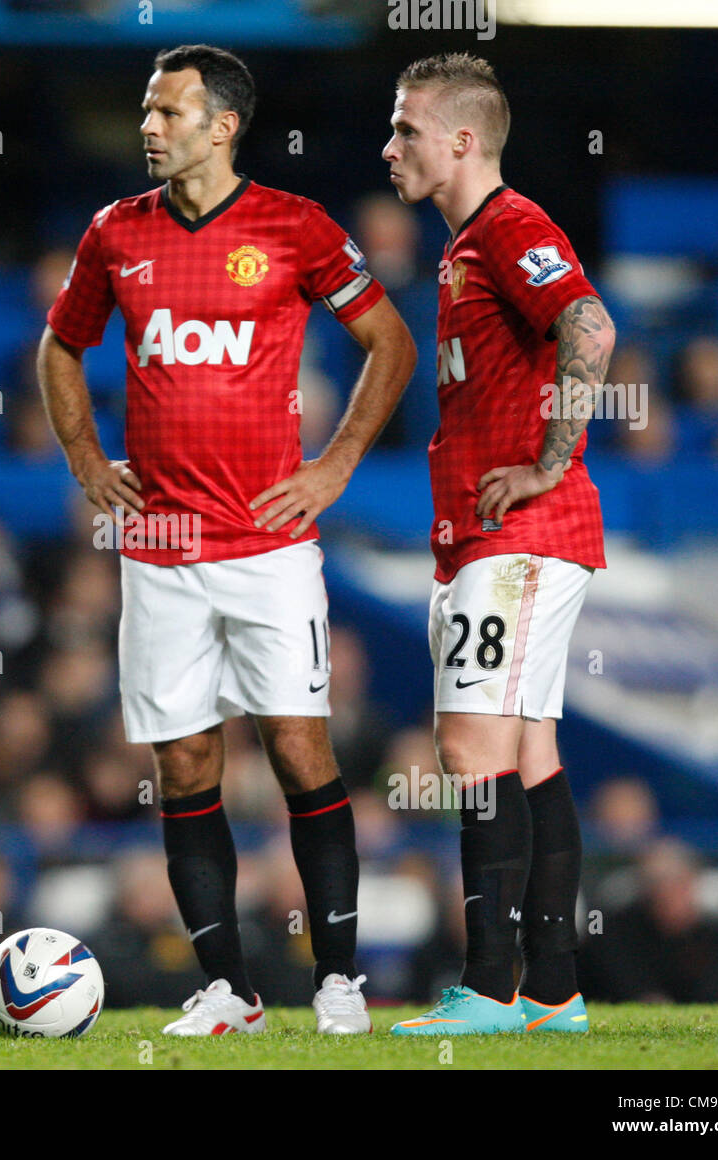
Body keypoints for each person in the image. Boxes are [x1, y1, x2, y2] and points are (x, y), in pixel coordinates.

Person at [38, 44, 415, 1035]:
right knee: (185, 767)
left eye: (169, 112)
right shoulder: (115, 233)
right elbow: (59, 345)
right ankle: (227, 989)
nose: (149, 127)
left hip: (267, 544)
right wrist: (86, 459)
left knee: (299, 749)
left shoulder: (295, 228)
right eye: (146, 111)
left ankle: (338, 978)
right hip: (158, 547)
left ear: (222, 125)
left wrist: (334, 465)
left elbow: (391, 342)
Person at [380, 54, 616, 1036]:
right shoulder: (465, 245)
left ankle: (486, 982)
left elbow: (590, 328)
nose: (390, 147)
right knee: (525, 751)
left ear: (461, 141)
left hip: (519, 531)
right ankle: (552, 989)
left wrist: (546, 464)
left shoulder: (510, 227)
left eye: (405, 130)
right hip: (505, 536)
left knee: (470, 744)